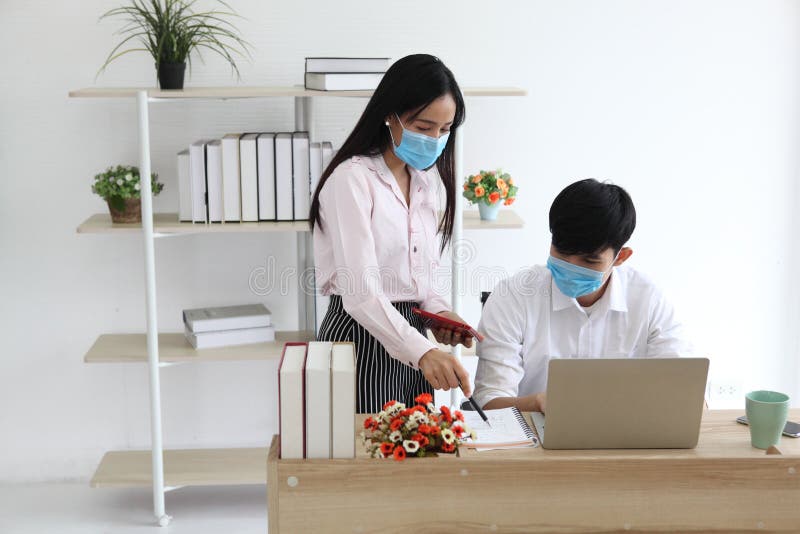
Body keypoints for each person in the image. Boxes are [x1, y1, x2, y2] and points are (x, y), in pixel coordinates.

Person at [310, 54, 473, 413]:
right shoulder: (351, 180)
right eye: (423, 126)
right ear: (390, 115)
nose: (435, 139)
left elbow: (421, 278)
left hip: (411, 334)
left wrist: (442, 315)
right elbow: (361, 294)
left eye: (444, 130)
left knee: (415, 453)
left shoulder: (423, 182)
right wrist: (424, 350)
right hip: (359, 337)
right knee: (367, 456)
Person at [473, 178, 694, 412]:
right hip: (531, 439)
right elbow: (488, 401)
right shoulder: (514, 296)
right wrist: (536, 403)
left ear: (621, 257)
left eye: (589, 261)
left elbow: (684, 389)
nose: (571, 266)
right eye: (562, 252)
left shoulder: (649, 300)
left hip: (628, 441)